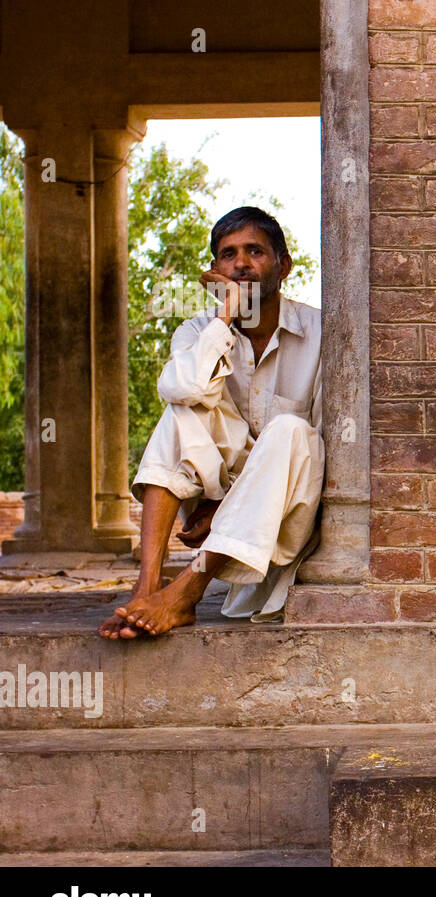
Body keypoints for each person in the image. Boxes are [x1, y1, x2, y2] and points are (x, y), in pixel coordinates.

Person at [98, 207, 323, 638]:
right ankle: (148, 584)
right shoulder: (198, 331)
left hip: (293, 514)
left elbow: (326, 448)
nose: (241, 264)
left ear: (284, 264)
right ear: (215, 270)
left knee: (290, 429)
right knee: (184, 406)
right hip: (226, 516)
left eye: (255, 251)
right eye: (228, 254)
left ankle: (188, 590)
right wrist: (224, 318)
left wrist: (226, 508)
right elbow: (181, 390)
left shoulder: (323, 332)